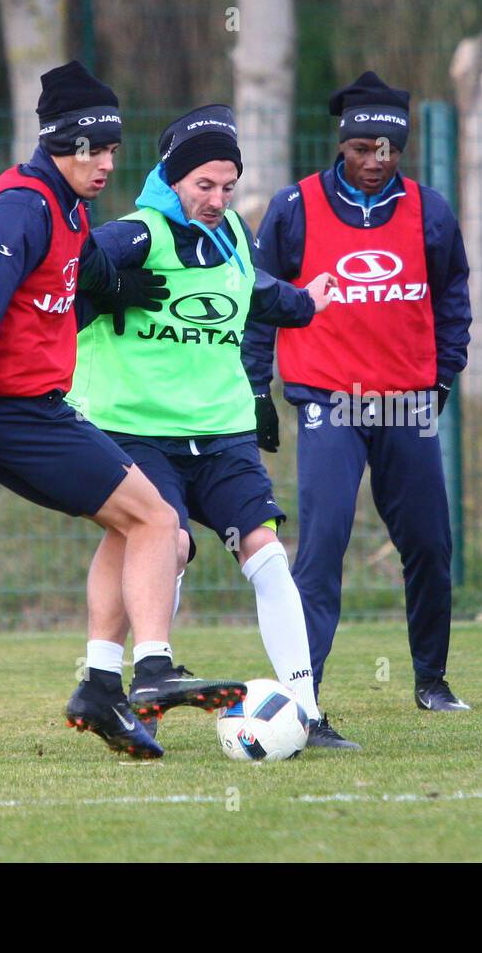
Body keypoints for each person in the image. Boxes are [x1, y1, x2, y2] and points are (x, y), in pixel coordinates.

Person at [0, 61, 244, 761]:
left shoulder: (67, 208)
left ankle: (97, 688)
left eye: (115, 149)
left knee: (136, 526)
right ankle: (151, 670)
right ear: (62, 143)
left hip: (33, 405)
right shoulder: (19, 207)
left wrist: (107, 284)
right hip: (2, 411)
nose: (110, 162)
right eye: (98, 148)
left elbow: (65, 285)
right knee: (157, 520)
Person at [66, 104, 338, 741]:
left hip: (221, 432)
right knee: (169, 541)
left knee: (268, 555)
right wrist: (107, 289)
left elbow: (257, 292)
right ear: (173, 178)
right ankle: (139, 681)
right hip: (134, 430)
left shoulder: (233, 236)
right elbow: (68, 269)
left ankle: (307, 710)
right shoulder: (136, 234)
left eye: (227, 186)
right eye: (203, 186)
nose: (217, 199)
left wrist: (306, 301)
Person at [249, 71, 473, 748]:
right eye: (364, 147)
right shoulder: (295, 207)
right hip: (328, 402)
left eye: (390, 148)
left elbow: (453, 293)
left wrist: (443, 374)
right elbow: (259, 299)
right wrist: (255, 387)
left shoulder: (430, 211)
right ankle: (303, 697)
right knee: (321, 548)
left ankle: (431, 680)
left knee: (431, 544)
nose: (377, 160)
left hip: (406, 404)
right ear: (341, 144)